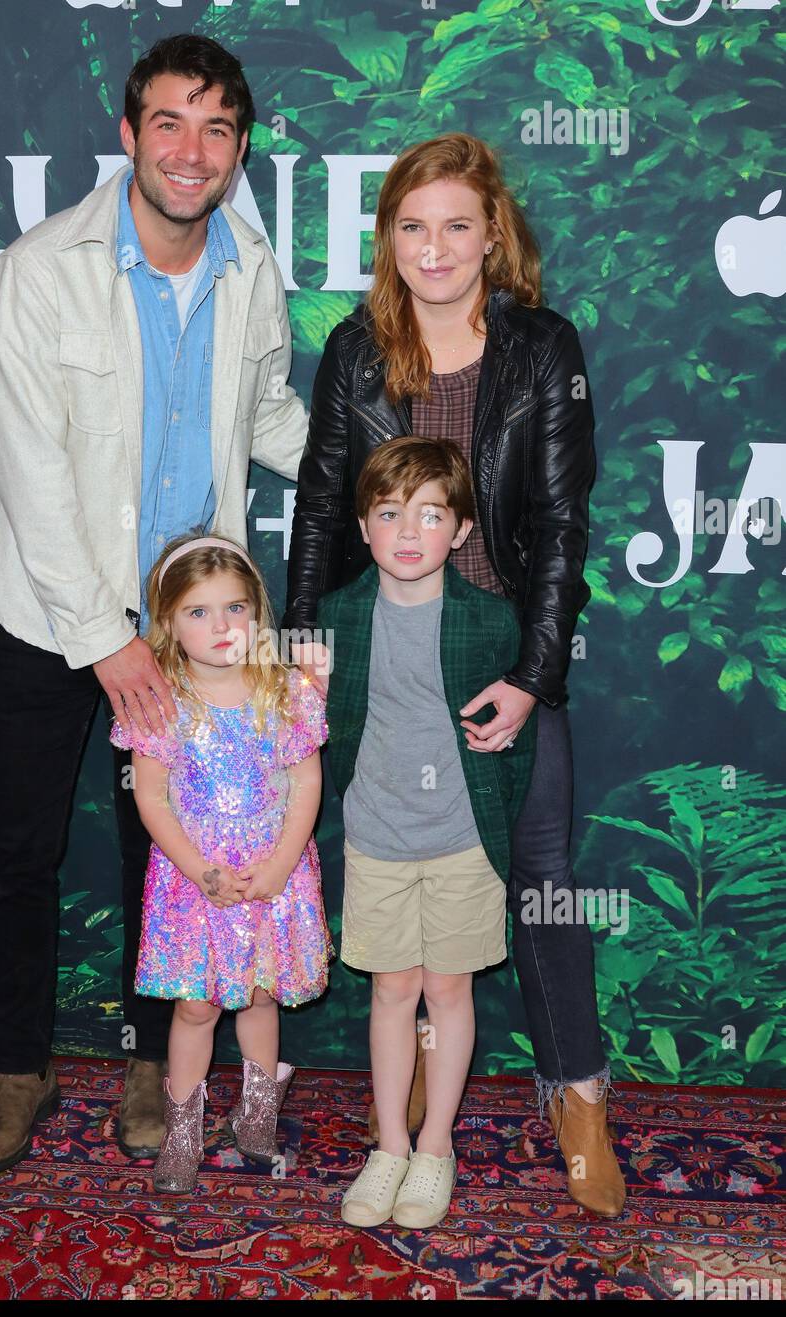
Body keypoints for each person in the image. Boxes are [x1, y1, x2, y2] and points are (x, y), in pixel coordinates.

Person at [0, 34, 310, 1176]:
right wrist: (105, 642)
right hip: (39, 618)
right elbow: (30, 475)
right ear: (127, 135)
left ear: (240, 148)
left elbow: (264, 419)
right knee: (19, 853)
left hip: (182, 631)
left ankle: (147, 1063)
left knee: (154, 855)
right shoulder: (36, 269)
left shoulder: (250, 270)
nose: (190, 149)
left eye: (215, 128)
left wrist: (373, 486)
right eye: (169, 121)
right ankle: (20, 1066)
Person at [284, 133, 626, 1218]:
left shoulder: (539, 348)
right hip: (382, 650)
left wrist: (531, 674)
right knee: (385, 870)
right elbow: (318, 504)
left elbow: (565, 525)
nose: (433, 247)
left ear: (492, 238)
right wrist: (301, 642)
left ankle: (574, 1092)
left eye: (456, 226)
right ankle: (408, 1114)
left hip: (500, 657)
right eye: (411, 225)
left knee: (535, 874)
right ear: (387, 237)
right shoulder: (353, 350)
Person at [315, 437, 535, 1228]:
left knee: (447, 990)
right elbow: (315, 729)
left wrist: (505, 747)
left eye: (430, 515)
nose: (408, 532)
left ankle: (435, 1147)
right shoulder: (337, 616)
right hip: (374, 839)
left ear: (462, 530)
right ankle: (390, 1147)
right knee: (389, 991)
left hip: (461, 843)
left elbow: (513, 736)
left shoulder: (490, 623)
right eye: (388, 513)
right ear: (364, 527)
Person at [108, 533, 333, 1194]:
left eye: (234, 608)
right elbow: (150, 798)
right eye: (198, 612)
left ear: (256, 613)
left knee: (260, 997)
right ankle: (181, 1133)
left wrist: (281, 863)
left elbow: (306, 786)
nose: (221, 626)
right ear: (169, 623)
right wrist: (200, 870)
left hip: (273, 871)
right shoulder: (160, 702)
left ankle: (256, 1117)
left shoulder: (287, 690)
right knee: (199, 1007)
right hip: (193, 878)